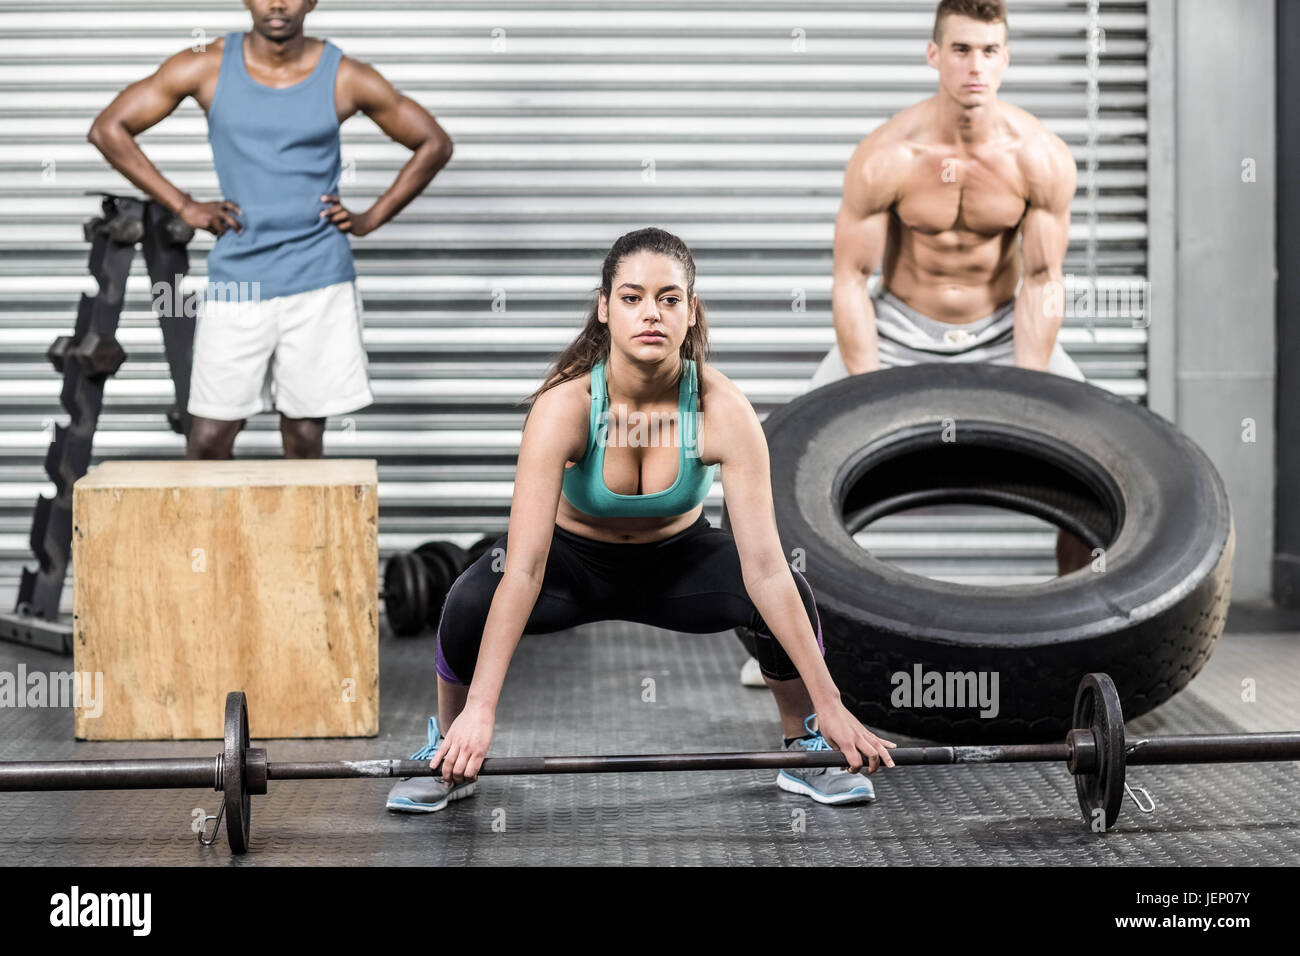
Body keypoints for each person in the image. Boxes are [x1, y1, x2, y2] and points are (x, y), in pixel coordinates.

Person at [386, 228, 897, 813]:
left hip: (677, 564)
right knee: (468, 600)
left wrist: (830, 702)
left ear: (691, 310)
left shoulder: (722, 410)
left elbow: (767, 569)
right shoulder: (565, 407)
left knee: (791, 594)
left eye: (669, 298)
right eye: (631, 297)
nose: (651, 313)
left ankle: (805, 744)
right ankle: (450, 754)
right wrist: (482, 710)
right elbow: (524, 569)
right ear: (604, 308)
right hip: (570, 565)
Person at [739, 0, 1091, 688]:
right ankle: (784, 650)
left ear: (1007, 58)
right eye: (961, 49)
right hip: (898, 329)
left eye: (989, 50)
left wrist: (1028, 388)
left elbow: (1044, 282)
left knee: (1089, 463)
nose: (975, 66)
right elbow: (851, 281)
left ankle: (1079, 633)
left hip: (998, 332)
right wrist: (865, 389)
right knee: (779, 467)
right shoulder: (888, 154)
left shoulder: (1040, 157)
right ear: (934, 55)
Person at [86, 0, 454, 459]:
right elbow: (108, 129)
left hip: (318, 278)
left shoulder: (345, 76)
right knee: (209, 439)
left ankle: (301, 537)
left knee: (303, 437)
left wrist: (369, 219)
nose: (277, 3)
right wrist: (183, 205)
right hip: (239, 280)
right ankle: (215, 536)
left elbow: (434, 142)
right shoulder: (206, 67)